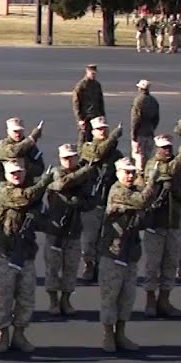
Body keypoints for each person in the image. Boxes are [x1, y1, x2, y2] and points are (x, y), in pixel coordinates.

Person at [99, 158, 164, 353]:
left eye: (132, 172)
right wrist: (151, 180)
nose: (130, 175)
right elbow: (142, 201)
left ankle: (121, 333)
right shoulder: (117, 191)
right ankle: (108, 335)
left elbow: (143, 215)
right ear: (118, 173)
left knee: (127, 297)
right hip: (113, 253)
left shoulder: (134, 191)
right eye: (126, 172)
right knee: (110, 297)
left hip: (130, 253)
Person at [0, 159, 55, 353]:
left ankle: (19, 333)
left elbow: (45, 224)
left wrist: (39, 217)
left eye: (19, 172)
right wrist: (43, 183)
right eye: (12, 173)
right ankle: (3, 334)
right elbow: (23, 199)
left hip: (26, 253)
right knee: (3, 296)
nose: (16, 176)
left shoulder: (34, 197)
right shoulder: (5, 190)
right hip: (7, 253)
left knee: (26, 295)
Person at [43, 143, 98, 316]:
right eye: (65, 158)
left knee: (71, 267)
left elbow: (92, 201)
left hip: (74, 229)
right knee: (53, 266)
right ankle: (53, 300)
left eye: (72, 157)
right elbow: (62, 184)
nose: (68, 161)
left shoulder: (86, 179)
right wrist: (85, 171)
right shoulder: (56, 173)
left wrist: (79, 203)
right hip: (55, 229)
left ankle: (66, 300)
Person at [78, 117, 124, 283]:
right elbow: (97, 155)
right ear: (93, 131)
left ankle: (104, 266)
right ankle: (89, 265)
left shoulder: (115, 153)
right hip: (91, 202)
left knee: (108, 239)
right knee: (89, 238)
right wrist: (114, 137)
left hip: (109, 202)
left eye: (105, 128)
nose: (102, 131)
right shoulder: (88, 147)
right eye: (99, 129)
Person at [141, 134, 180, 318]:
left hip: (174, 222)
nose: (167, 150)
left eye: (170, 147)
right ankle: (150, 299)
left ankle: (164, 299)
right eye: (164, 147)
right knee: (152, 264)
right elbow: (168, 173)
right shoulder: (153, 165)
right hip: (155, 223)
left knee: (170, 262)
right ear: (157, 148)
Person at [0, 117, 44, 186]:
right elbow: (13, 152)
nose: (18, 134)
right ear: (8, 131)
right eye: (15, 131)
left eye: (20, 131)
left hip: (27, 188)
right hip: (6, 188)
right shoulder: (2, 144)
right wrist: (32, 138)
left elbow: (39, 170)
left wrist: (25, 166)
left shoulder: (31, 146)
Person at [72, 64, 104, 145]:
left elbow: (100, 102)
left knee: (96, 139)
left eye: (95, 73)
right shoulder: (81, 86)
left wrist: (102, 116)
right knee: (84, 139)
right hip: (86, 118)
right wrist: (79, 119)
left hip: (96, 116)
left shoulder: (97, 85)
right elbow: (76, 103)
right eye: (92, 73)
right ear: (87, 72)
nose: (94, 75)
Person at [130, 79, 159, 169]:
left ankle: (139, 176)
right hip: (149, 132)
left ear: (140, 88)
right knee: (148, 156)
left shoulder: (138, 100)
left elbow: (135, 119)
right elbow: (156, 118)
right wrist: (152, 128)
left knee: (138, 156)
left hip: (140, 133)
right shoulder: (154, 101)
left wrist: (133, 134)